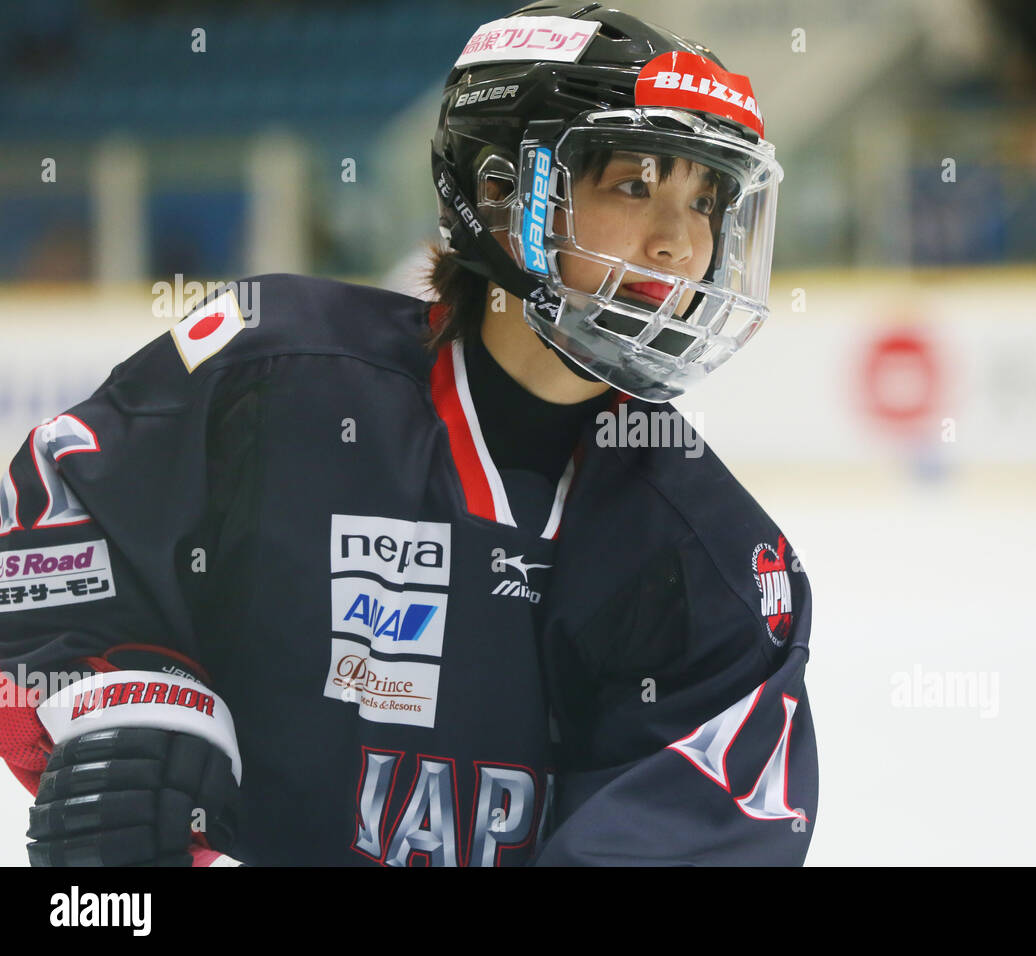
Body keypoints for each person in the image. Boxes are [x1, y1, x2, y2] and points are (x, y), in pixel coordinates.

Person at [0, 2, 816, 866]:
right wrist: (129, 719)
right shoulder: (272, 379)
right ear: (500, 190)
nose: (680, 244)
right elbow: (48, 549)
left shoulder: (713, 560)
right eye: (635, 185)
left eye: (706, 201)